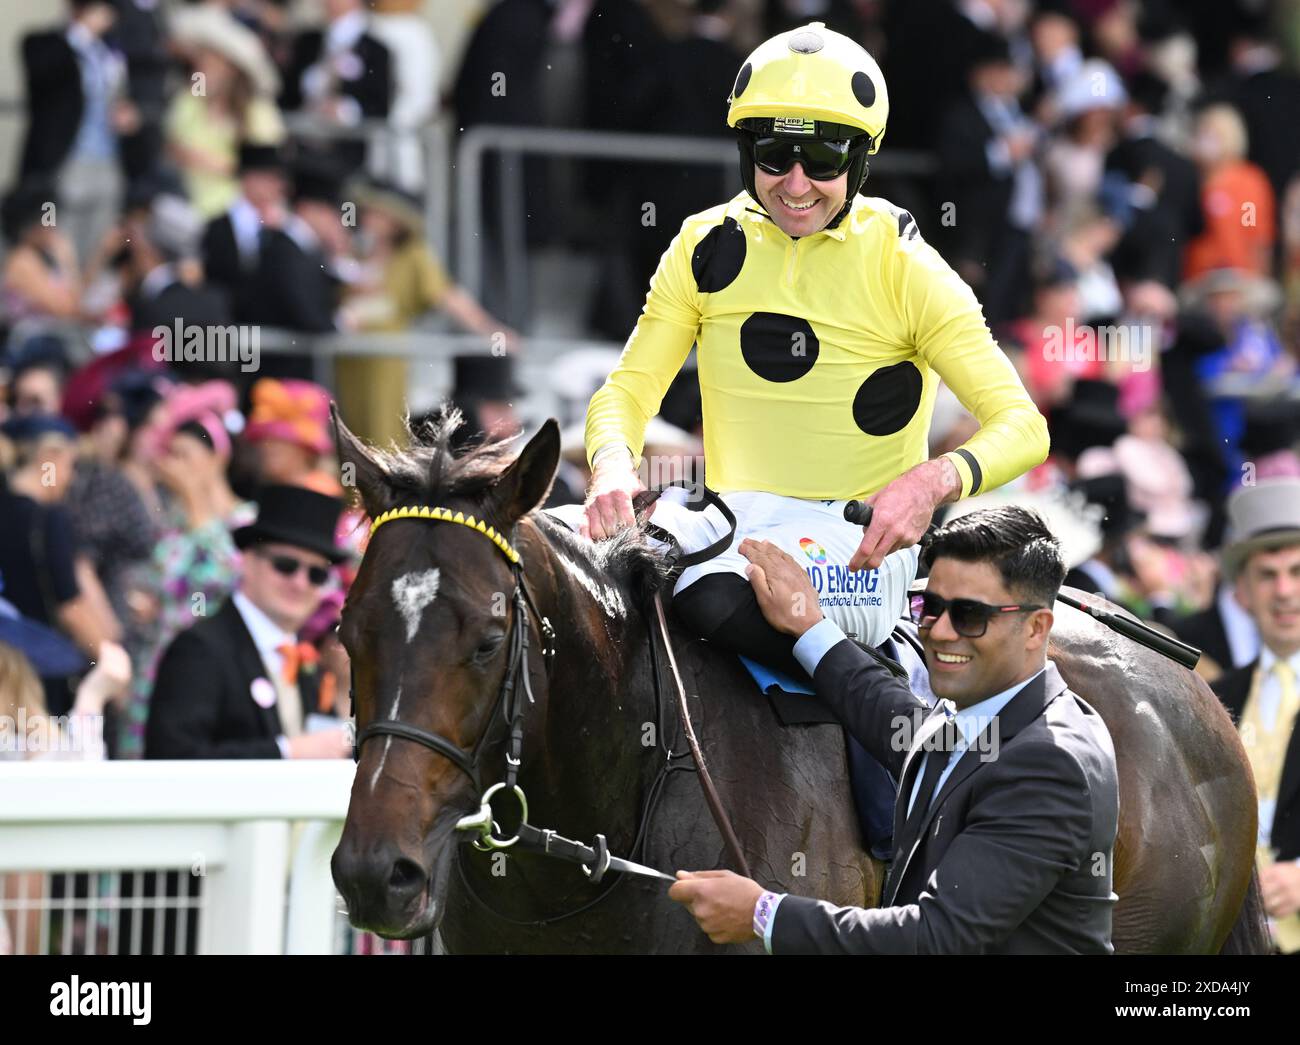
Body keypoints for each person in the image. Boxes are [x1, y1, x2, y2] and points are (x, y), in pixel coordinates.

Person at [581, 22, 1049, 675]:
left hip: (855, 551)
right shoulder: (701, 244)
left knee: (707, 589)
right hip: (725, 522)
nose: (796, 184)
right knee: (562, 567)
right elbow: (627, 392)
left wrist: (929, 482)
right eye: (774, 156)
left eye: (824, 161)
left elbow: (1024, 426)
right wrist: (609, 466)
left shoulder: (905, 265)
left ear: (860, 160)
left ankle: (898, 732)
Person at [669, 507, 1119, 954]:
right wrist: (810, 626)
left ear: (1036, 628)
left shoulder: (1048, 760)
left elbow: (937, 938)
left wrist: (763, 914)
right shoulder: (987, 719)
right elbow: (891, 717)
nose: (939, 633)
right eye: (931, 607)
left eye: (969, 616)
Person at [145, 483, 352, 759]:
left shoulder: (307, 660)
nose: (300, 583)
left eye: (317, 574)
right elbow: (171, 756)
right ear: (247, 561)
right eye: (285, 565)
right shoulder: (199, 649)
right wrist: (287, 752)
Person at [1211, 478, 1300, 953]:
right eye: (1267, 575)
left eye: (1297, 571)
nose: (1284, 592)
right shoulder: (1212, 695)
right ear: (1242, 592)